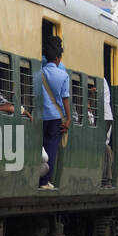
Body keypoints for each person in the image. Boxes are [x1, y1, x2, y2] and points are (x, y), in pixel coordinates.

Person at [38, 36, 70, 190]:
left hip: (40, 115)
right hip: (56, 117)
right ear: (58, 58)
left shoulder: (39, 72)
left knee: (39, 146)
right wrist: (68, 118)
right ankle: (44, 181)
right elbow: (65, 99)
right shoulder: (63, 74)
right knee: (51, 148)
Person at [100, 76, 115, 188]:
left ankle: (106, 179)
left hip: (104, 115)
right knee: (105, 144)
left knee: (104, 145)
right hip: (105, 115)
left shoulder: (100, 78)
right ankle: (106, 179)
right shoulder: (103, 79)